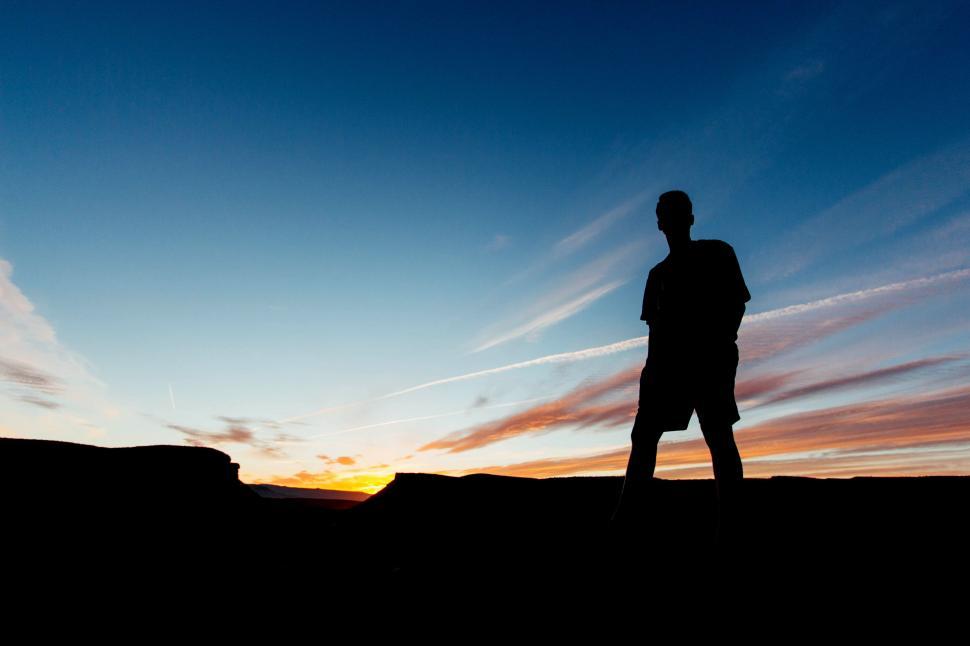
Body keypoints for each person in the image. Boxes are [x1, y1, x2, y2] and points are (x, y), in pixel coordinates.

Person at [609, 189, 751, 550]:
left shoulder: (718, 253)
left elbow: (736, 303)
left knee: (719, 436)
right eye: (666, 214)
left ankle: (732, 528)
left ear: (690, 217)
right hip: (664, 369)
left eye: (679, 212)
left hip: (709, 362)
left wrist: (719, 345)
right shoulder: (657, 275)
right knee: (642, 440)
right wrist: (649, 374)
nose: (672, 220)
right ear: (660, 223)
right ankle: (625, 524)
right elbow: (655, 331)